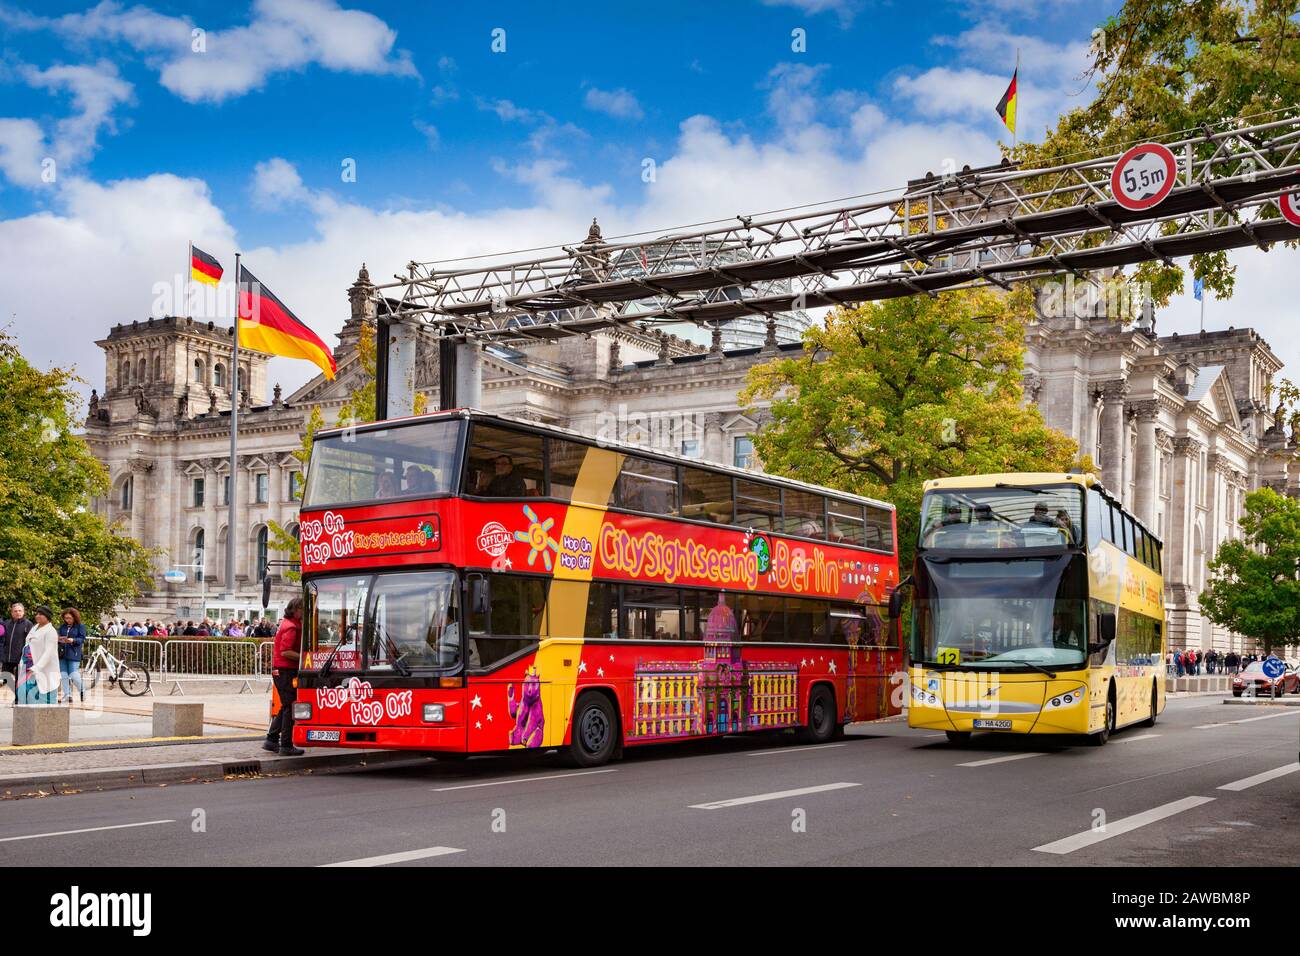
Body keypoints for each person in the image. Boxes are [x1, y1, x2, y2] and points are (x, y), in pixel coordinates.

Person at [265, 597, 305, 756]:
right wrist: (304, 657)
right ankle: (286, 745)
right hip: (286, 670)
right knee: (290, 707)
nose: (304, 612)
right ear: (296, 609)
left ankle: (271, 739)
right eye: (303, 609)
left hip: (281, 670)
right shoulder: (291, 627)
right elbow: (285, 651)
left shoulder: (289, 624)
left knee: (286, 705)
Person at [19, 605, 60, 705]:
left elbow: (48, 653)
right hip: (28, 666)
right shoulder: (35, 628)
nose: (37, 616)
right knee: (25, 693)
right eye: (37, 614)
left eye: (41, 614)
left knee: (44, 694)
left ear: (47, 616)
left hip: (43, 669)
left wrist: (36, 667)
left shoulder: (51, 631)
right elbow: (27, 643)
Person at [3, 602, 34, 702]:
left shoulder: (28, 624)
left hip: (21, 657)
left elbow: (31, 641)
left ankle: (18, 698)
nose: (18, 613)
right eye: (15, 611)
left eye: (20, 611)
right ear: (12, 613)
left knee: (19, 679)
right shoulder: (6, 623)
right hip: (7, 656)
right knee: (5, 676)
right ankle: (18, 694)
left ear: (23, 612)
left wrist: (28, 656)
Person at [57, 607, 86, 704]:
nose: (67, 620)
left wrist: (73, 640)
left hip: (74, 653)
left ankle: (82, 689)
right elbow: (58, 636)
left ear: (74, 617)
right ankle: (67, 695)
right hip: (62, 653)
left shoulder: (80, 626)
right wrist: (59, 639)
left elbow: (82, 639)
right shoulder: (63, 627)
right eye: (65, 618)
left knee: (73, 674)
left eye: (69, 618)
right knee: (63, 675)